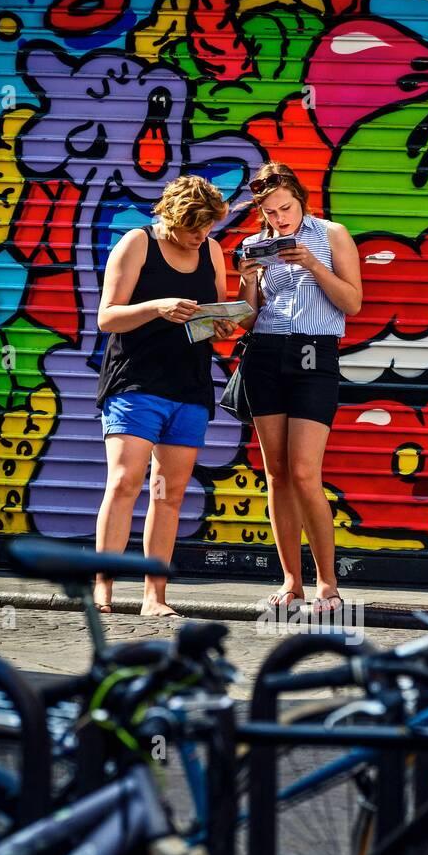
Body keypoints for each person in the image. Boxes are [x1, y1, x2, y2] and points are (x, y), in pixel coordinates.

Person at [94, 175, 236, 615]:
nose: (202, 236)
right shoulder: (137, 244)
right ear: (173, 217)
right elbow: (107, 317)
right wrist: (157, 307)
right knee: (123, 483)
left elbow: (214, 315)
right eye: (195, 227)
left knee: (168, 493)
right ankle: (103, 588)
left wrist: (224, 324)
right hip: (136, 380)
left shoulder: (210, 250)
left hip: (189, 384)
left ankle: (155, 597)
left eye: (209, 228)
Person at [236, 162, 362, 615]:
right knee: (277, 475)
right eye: (270, 212)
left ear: (301, 199)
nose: (280, 218)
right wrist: (248, 281)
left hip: (315, 353)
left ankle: (327, 583)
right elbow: (247, 319)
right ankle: (291, 581)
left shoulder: (331, 234)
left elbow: (352, 302)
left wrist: (312, 265)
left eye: (286, 208)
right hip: (265, 353)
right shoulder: (254, 244)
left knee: (306, 471)